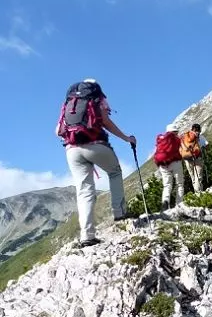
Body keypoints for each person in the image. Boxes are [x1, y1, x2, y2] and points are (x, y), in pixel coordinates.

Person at [55, 79, 136, 248]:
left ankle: (87, 235)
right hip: (96, 146)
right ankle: (120, 213)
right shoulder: (95, 100)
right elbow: (106, 122)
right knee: (114, 172)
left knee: (84, 190)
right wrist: (127, 138)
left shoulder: (70, 103)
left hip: (72, 150)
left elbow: (58, 132)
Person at [154, 124, 184, 211]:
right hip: (175, 163)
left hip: (163, 165)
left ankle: (165, 202)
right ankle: (179, 205)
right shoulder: (176, 139)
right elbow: (179, 148)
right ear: (175, 132)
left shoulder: (161, 139)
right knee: (180, 184)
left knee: (167, 185)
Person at [179, 123, 207, 194]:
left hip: (187, 159)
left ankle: (196, 192)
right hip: (197, 158)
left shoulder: (185, 136)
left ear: (192, 129)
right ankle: (199, 193)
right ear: (199, 130)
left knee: (193, 178)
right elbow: (207, 144)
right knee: (199, 177)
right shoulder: (199, 136)